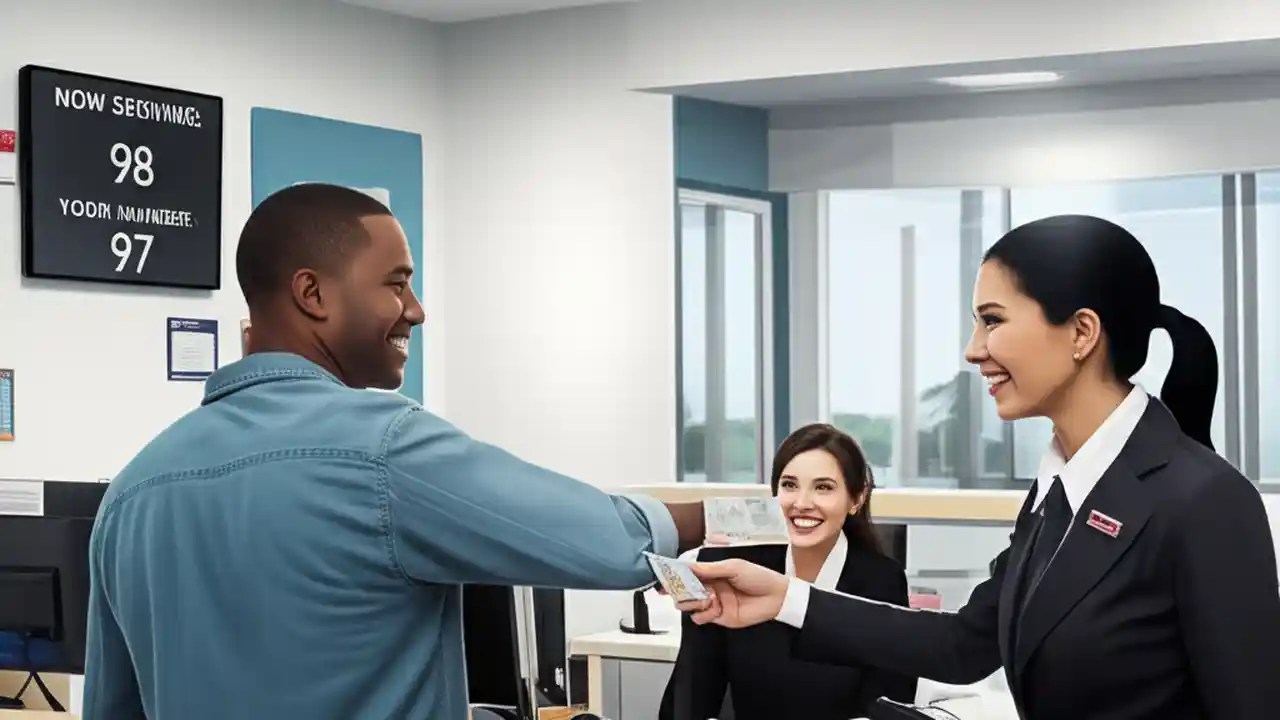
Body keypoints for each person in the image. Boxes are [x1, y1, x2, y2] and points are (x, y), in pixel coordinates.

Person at [83, 183, 705, 720]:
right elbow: (612, 545)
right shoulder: (385, 450)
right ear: (313, 294)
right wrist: (738, 519)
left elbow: (112, 706)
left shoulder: (131, 490)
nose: (417, 310)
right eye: (397, 283)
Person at [678, 215, 1280, 720]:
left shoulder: (1204, 500)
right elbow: (963, 645)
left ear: (1081, 333)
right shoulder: (1057, 494)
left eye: (992, 320)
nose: (973, 349)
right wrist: (785, 598)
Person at [659, 423, 917, 720]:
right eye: (789, 485)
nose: (801, 504)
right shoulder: (733, 570)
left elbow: (890, 705)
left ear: (856, 499)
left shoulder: (881, 581)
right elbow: (689, 700)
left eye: (823, 488)